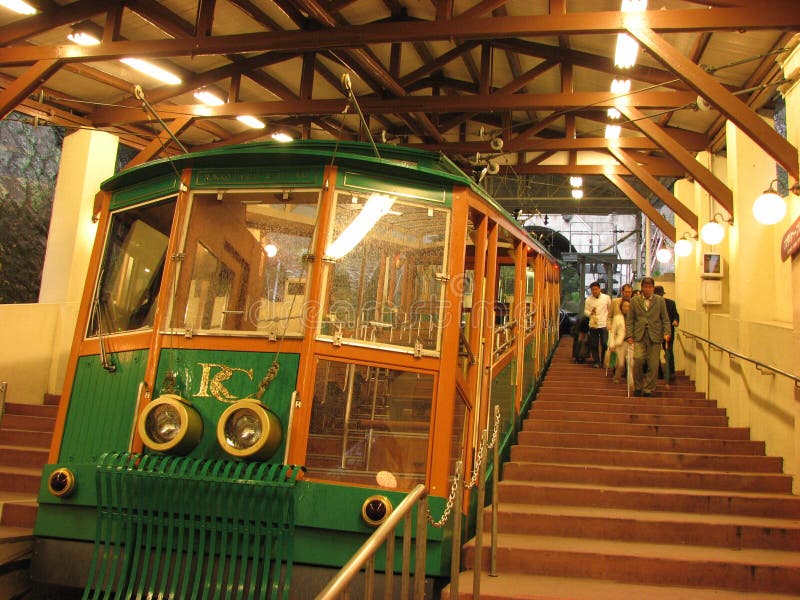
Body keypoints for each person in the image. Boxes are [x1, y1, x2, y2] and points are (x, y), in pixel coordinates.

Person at [625, 277, 671, 397]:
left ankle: (649, 388)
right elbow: (630, 319)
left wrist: (667, 332)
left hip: (655, 335)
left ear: (653, 288)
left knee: (653, 364)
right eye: (645, 287)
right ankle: (638, 386)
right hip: (639, 335)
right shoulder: (634, 300)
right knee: (638, 360)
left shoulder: (660, 300)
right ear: (641, 288)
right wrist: (629, 334)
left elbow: (665, 319)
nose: (647, 289)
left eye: (650, 287)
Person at [654, 285, 680, 383]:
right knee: (655, 353)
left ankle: (671, 373)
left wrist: (676, 320)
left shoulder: (670, 303)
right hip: (655, 332)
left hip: (667, 331)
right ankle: (658, 372)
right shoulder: (651, 304)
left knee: (669, 353)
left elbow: (675, 315)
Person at [583, 281, 611, 368]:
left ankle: (603, 361)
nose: (594, 291)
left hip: (604, 324)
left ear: (599, 289)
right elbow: (585, 311)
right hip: (593, 324)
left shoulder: (606, 298)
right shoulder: (588, 299)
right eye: (592, 290)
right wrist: (590, 313)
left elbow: (610, 309)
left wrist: (609, 321)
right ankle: (596, 361)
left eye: (596, 289)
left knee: (605, 343)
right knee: (594, 344)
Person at [608, 298, 631, 384]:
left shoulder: (634, 318)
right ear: (621, 307)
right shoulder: (617, 318)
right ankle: (617, 377)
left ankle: (631, 381)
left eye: (628, 306)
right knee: (620, 364)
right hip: (620, 343)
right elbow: (613, 332)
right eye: (624, 306)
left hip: (631, 342)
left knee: (631, 363)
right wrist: (611, 344)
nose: (626, 308)